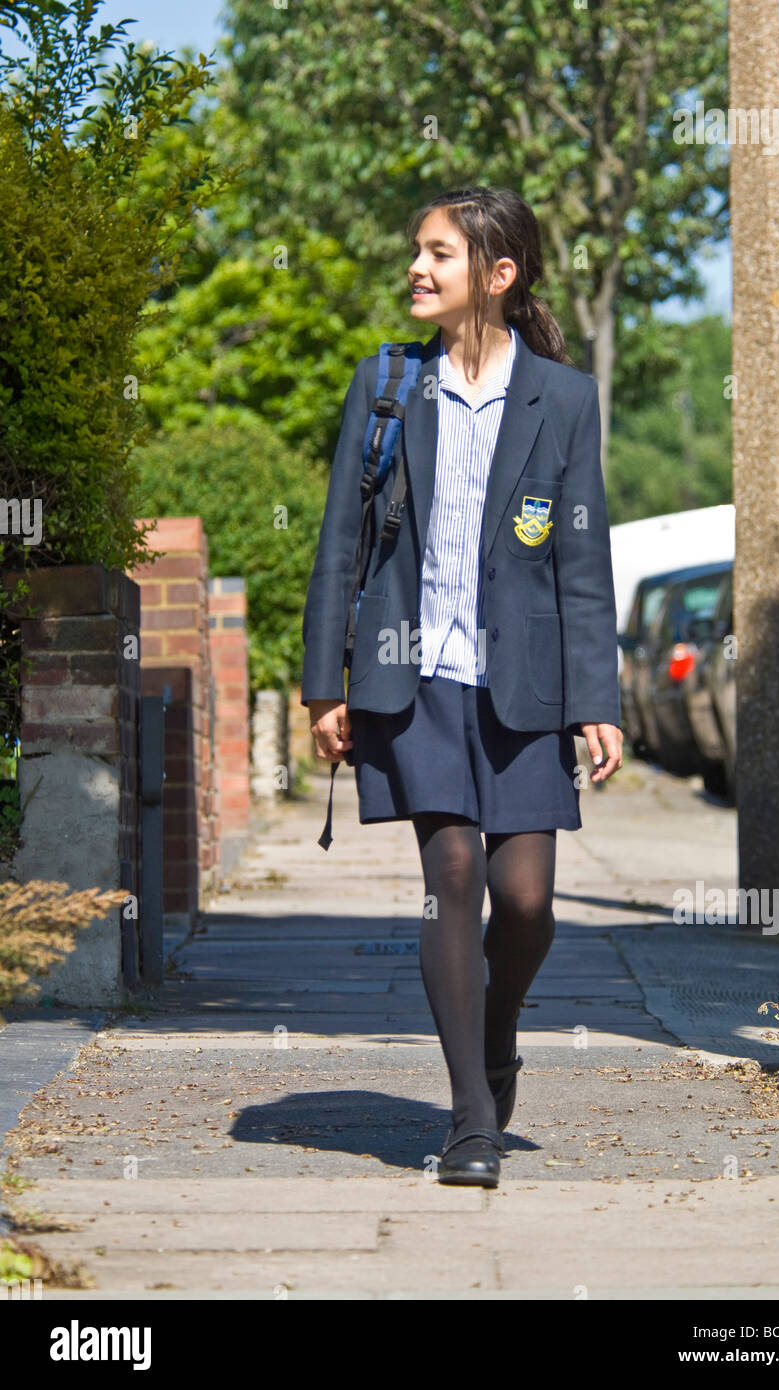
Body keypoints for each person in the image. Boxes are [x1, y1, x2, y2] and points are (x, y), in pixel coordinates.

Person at [301, 185, 623, 1188]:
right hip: (415, 676)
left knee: (522, 901)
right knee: (452, 874)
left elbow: (580, 561)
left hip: (520, 685)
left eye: (437, 252)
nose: (416, 267)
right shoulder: (387, 384)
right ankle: (470, 1121)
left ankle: (497, 1031)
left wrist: (596, 696)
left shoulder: (561, 399)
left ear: (497, 272)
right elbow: (338, 543)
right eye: (415, 250)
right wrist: (325, 686)